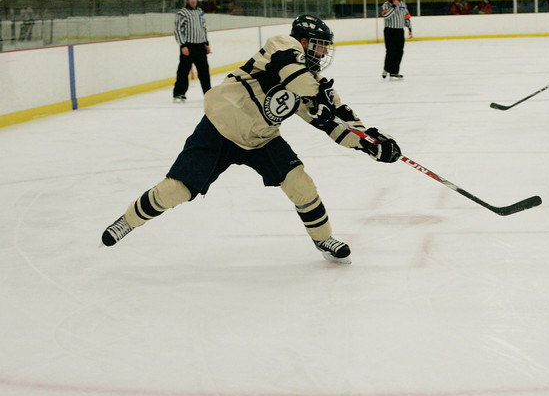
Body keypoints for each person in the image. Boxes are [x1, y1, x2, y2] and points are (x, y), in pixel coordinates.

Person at [101, 14, 402, 264]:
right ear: (305, 41)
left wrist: (368, 142)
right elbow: (294, 76)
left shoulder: (316, 85)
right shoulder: (282, 45)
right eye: (321, 47)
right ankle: (128, 220)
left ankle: (324, 241)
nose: (324, 54)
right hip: (221, 126)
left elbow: (340, 124)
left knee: (300, 183)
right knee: (176, 190)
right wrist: (318, 98)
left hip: (262, 138)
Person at [172, 0, 210, 101]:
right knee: (183, 70)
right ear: (187, 0)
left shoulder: (199, 11)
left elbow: (203, 28)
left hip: (200, 46)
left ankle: (208, 93)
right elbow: (177, 30)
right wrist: (182, 45)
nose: (193, 1)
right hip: (188, 45)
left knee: (204, 71)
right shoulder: (182, 13)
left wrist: (206, 43)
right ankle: (179, 93)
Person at [380, 0, 413, 80]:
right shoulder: (386, 5)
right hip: (390, 30)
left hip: (399, 30)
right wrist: (394, 6)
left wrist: (410, 28)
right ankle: (386, 69)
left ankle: (394, 72)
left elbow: (406, 16)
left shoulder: (402, 4)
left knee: (399, 51)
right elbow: (386, 16)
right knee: (391, 51)